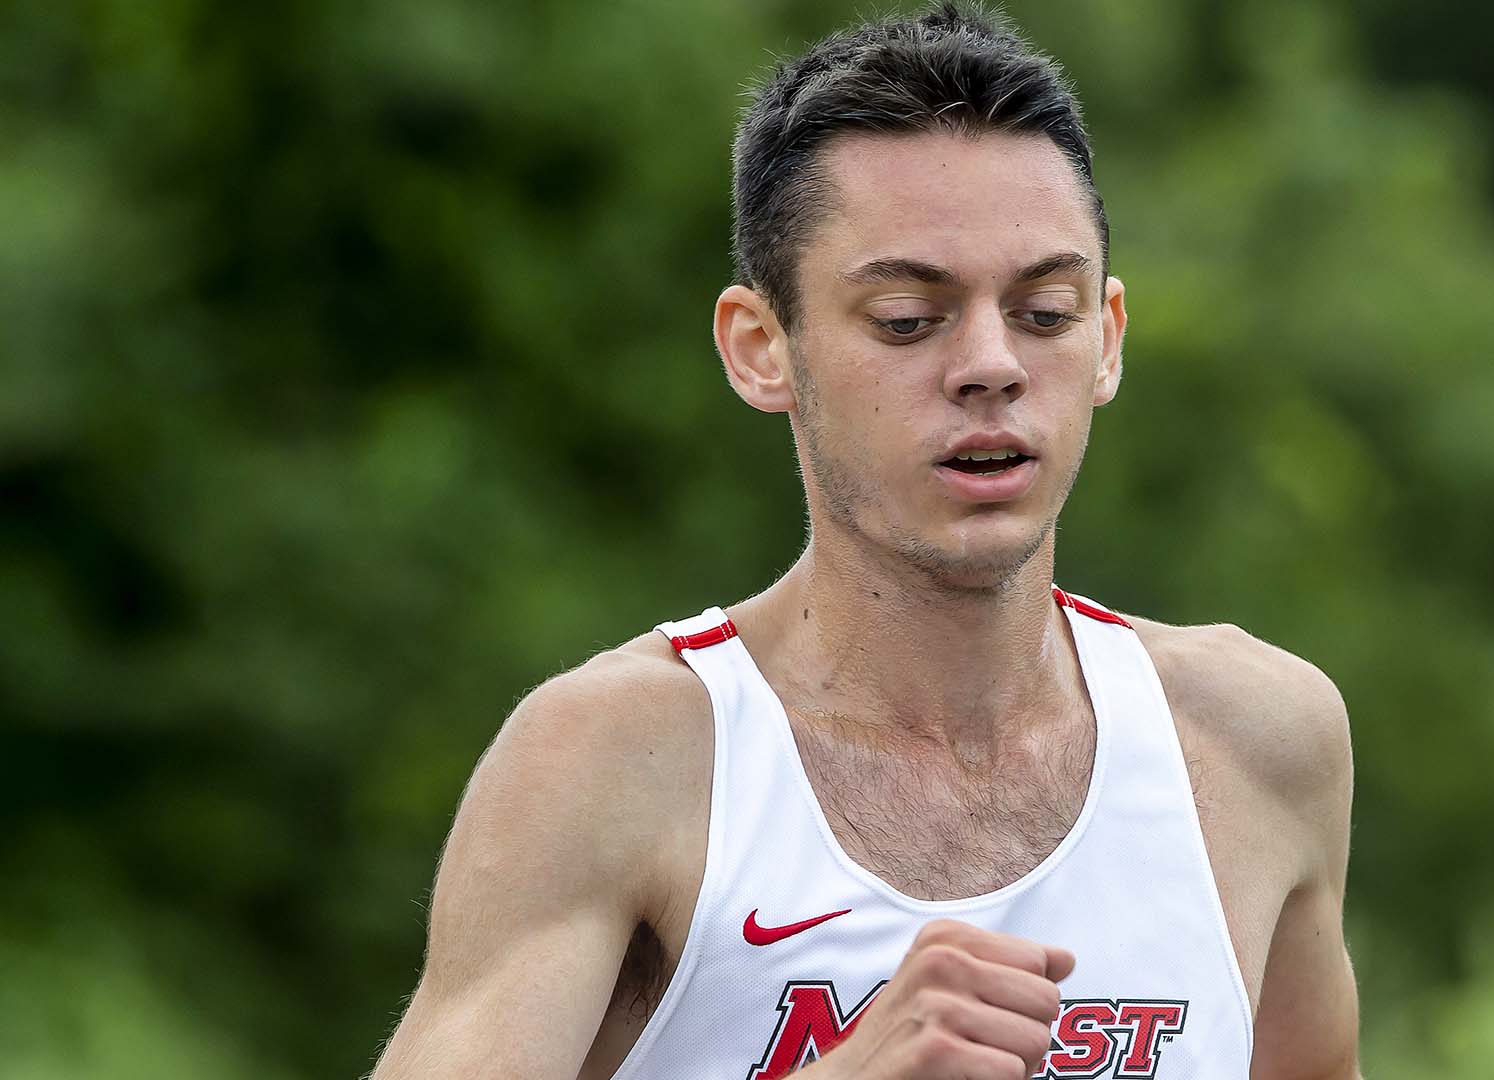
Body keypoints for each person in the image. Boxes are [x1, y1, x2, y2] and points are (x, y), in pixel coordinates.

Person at [369, 4, 1359, 1078]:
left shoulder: (1258, 741)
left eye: (1044, 312)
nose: (991, 364)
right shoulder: (619, 762)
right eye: (906, 319)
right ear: (762, 349)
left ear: (1109, 339)